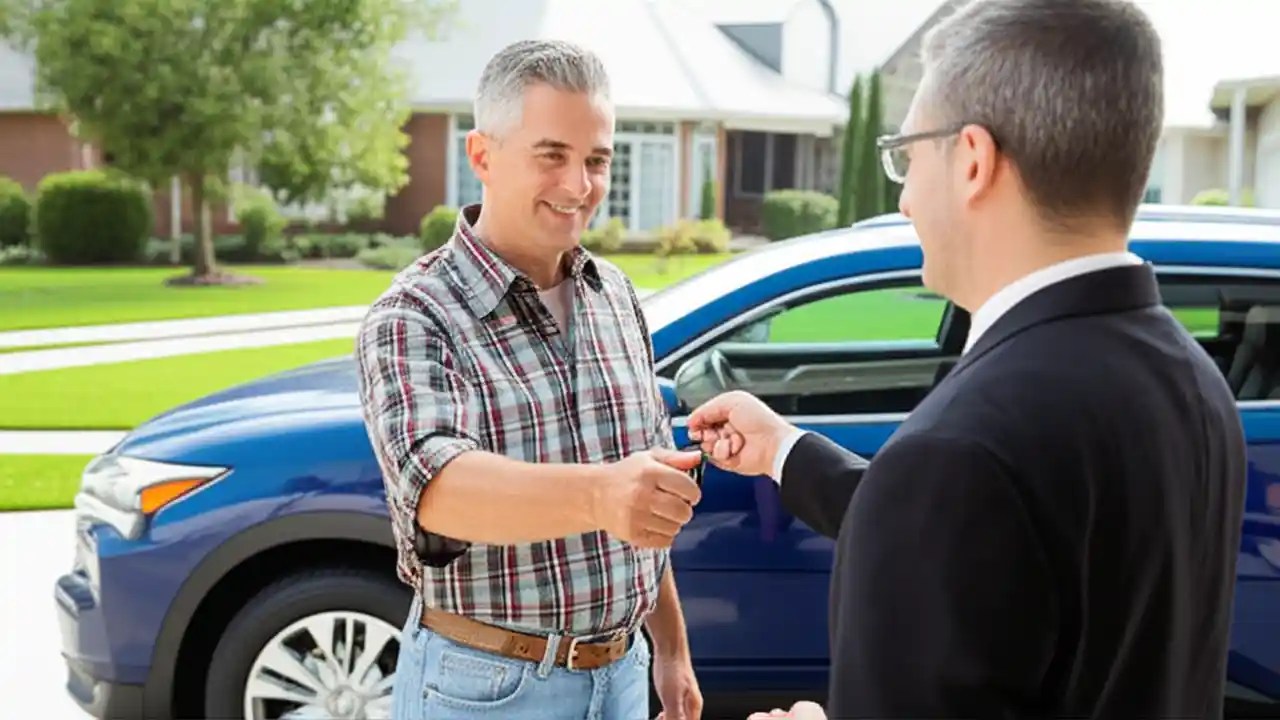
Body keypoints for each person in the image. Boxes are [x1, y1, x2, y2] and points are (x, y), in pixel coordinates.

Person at [690, 1, 1248, 718]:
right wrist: (783, 451)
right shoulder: (1192, 382)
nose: (903, 198)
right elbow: (1002, 549)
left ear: (974, 160)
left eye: (907, 155)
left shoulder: (960, 451)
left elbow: (966, 500)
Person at [355, 39, 705, 720]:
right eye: (553, 156)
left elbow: (643, 497)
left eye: (597, 160)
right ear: (482, 156)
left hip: (624, 675)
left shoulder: (616, 297)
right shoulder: (414, 313)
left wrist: (669, 646)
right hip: (486, 689)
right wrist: (605, 494)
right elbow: (439, 490)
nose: (580, 186)